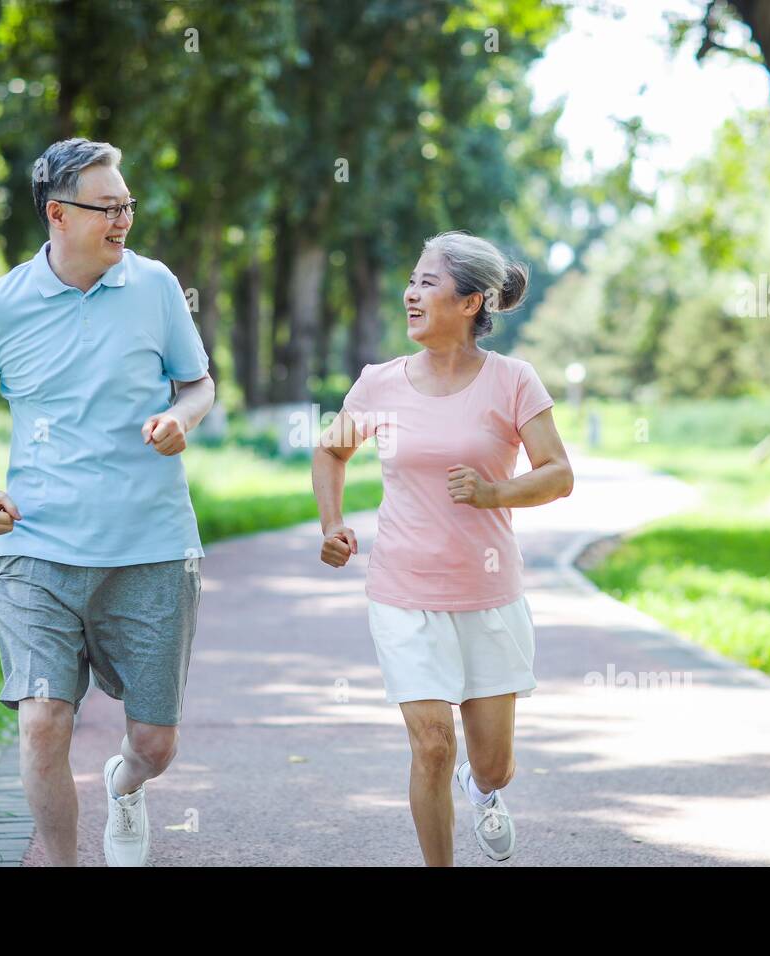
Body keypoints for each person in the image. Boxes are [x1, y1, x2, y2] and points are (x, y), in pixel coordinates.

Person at [0, 138, 214, 867]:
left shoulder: (154, 287)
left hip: (150, 546)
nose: (123, 219)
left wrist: (182, 418)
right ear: (58, 213)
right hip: (37, 548)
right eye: (107, 207)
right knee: (43, 722)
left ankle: (125, 784)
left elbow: (198, 382)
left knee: (156, 742)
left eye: (127, 206)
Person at [311, 230, 574, 866]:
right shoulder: (379, 383)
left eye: (428, 283)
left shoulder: (513, 381)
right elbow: (330, 448)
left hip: (488, 595)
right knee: (432, 743)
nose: (410, 294)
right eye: (412, 280)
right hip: (404, 590)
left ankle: (482, 792)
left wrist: (494, 493)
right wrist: (332, 524)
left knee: (494, 764)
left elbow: (558, 473)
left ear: (471, 303)